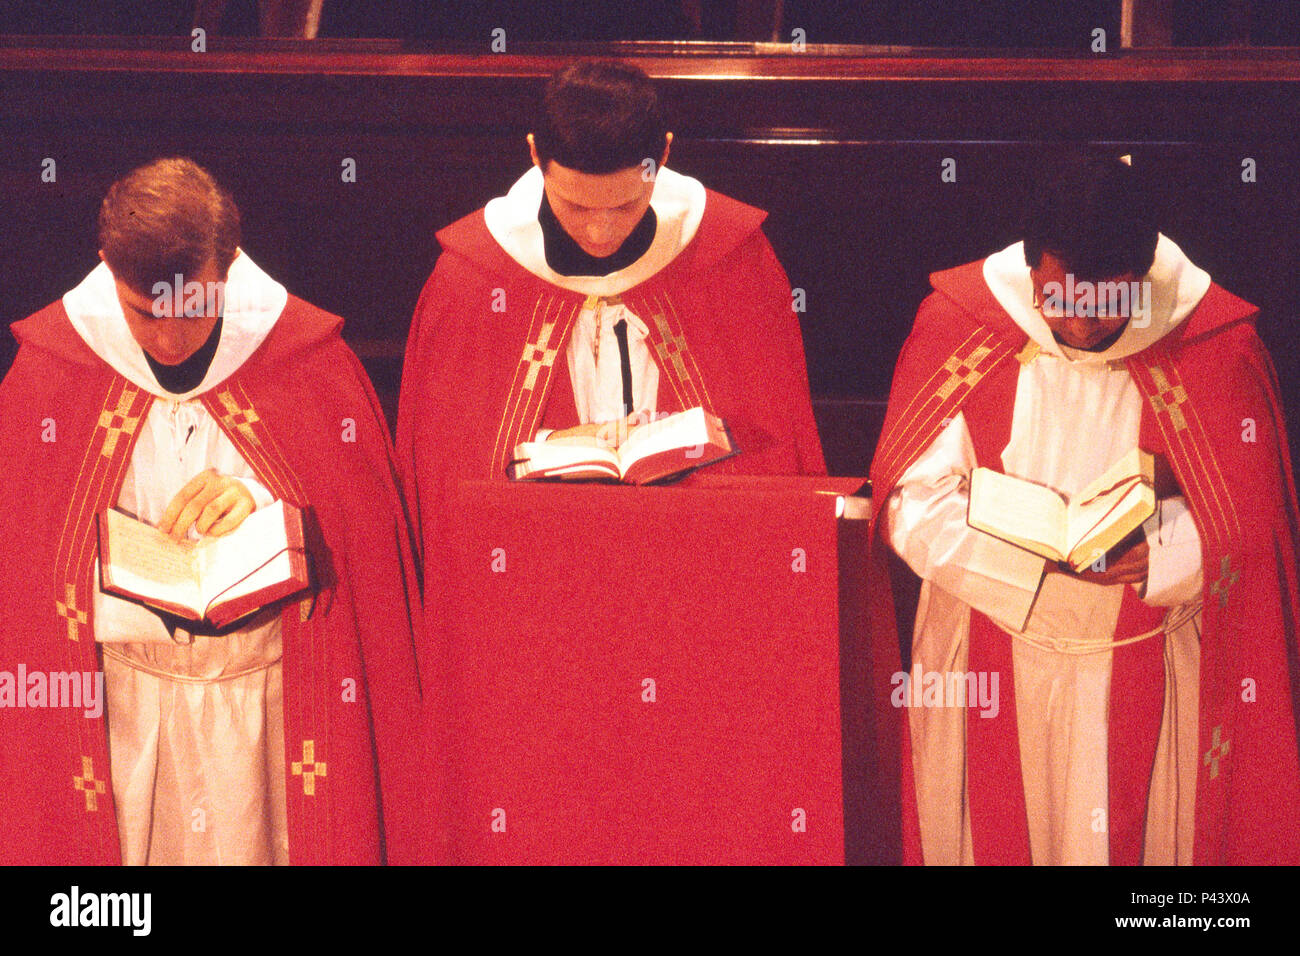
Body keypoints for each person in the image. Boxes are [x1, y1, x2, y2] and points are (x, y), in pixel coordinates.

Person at [396, 58, 825, 861]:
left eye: (625, 204)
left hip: (694, 600)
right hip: (536, 616)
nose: (600, 231)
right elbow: (443, 482)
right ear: (533, 156)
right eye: (575, 205)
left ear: (663, 153)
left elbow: (781, 451)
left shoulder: (732, 258)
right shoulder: (469, 280)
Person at [867, 153, 1300, 865]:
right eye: (1056, 299)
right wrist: (1019, 565)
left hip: (1147, 647)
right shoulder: (964, 322)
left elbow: (1250, 524)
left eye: (1103, 304)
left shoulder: (1213, 341)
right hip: (986, 642)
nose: (1077, 325)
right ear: (1031, 267)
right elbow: (909, 497)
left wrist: (1163, 550)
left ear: (1143, 276)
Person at [0, 157, 428, 865]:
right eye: (145, 314)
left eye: (192, 310)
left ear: (227, 268)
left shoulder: (308, 361)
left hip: (268, 707)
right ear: (108, 266)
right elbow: (24, 562)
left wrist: (271, 505)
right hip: (124, 710)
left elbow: (367, 543)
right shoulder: (52, 370)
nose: (169, 340)